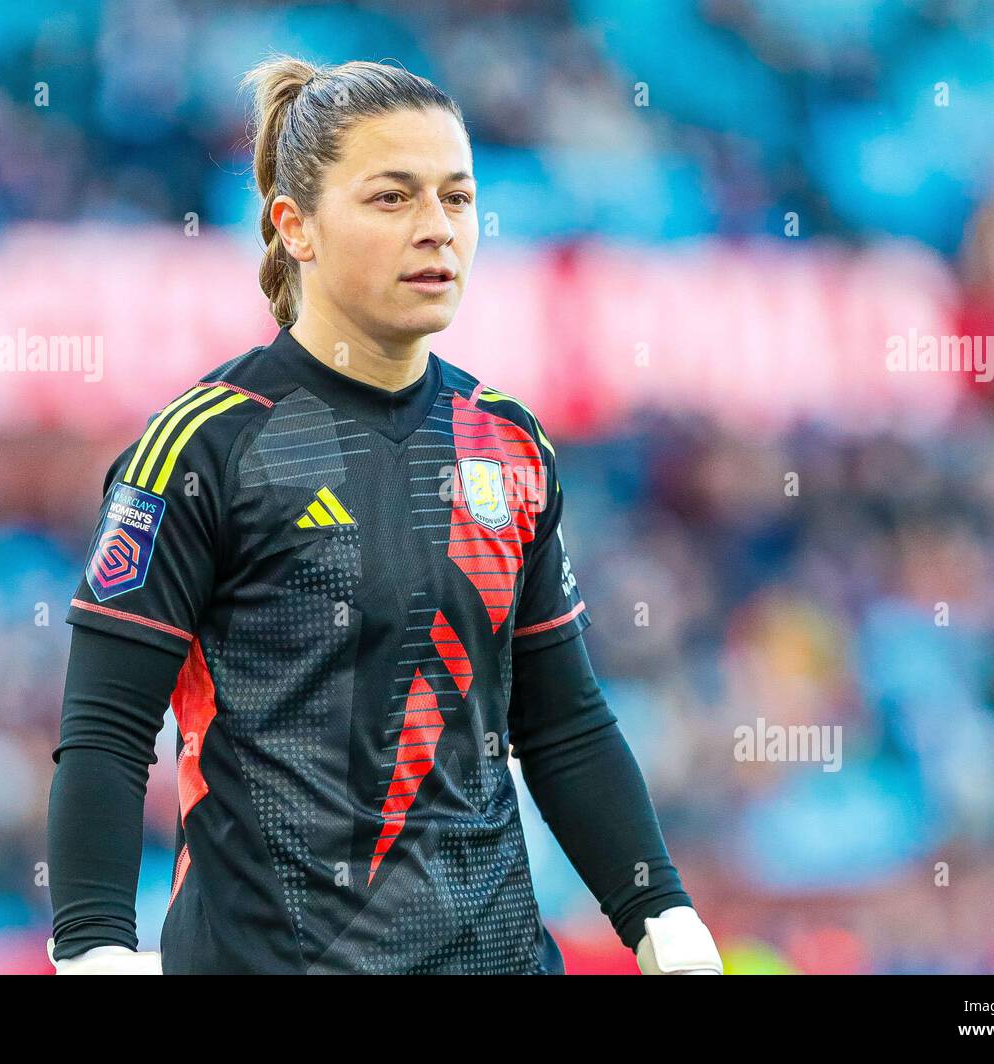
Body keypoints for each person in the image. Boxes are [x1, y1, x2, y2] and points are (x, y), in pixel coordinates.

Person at [46, 55, 722, 975]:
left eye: (457, 198)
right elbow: (107, 726)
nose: (437, 230)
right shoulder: (202, 448)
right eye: (392, 199)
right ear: (297, 228)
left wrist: (659, 909)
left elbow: (561, 721)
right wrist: (90, 943)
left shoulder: (510, 443)